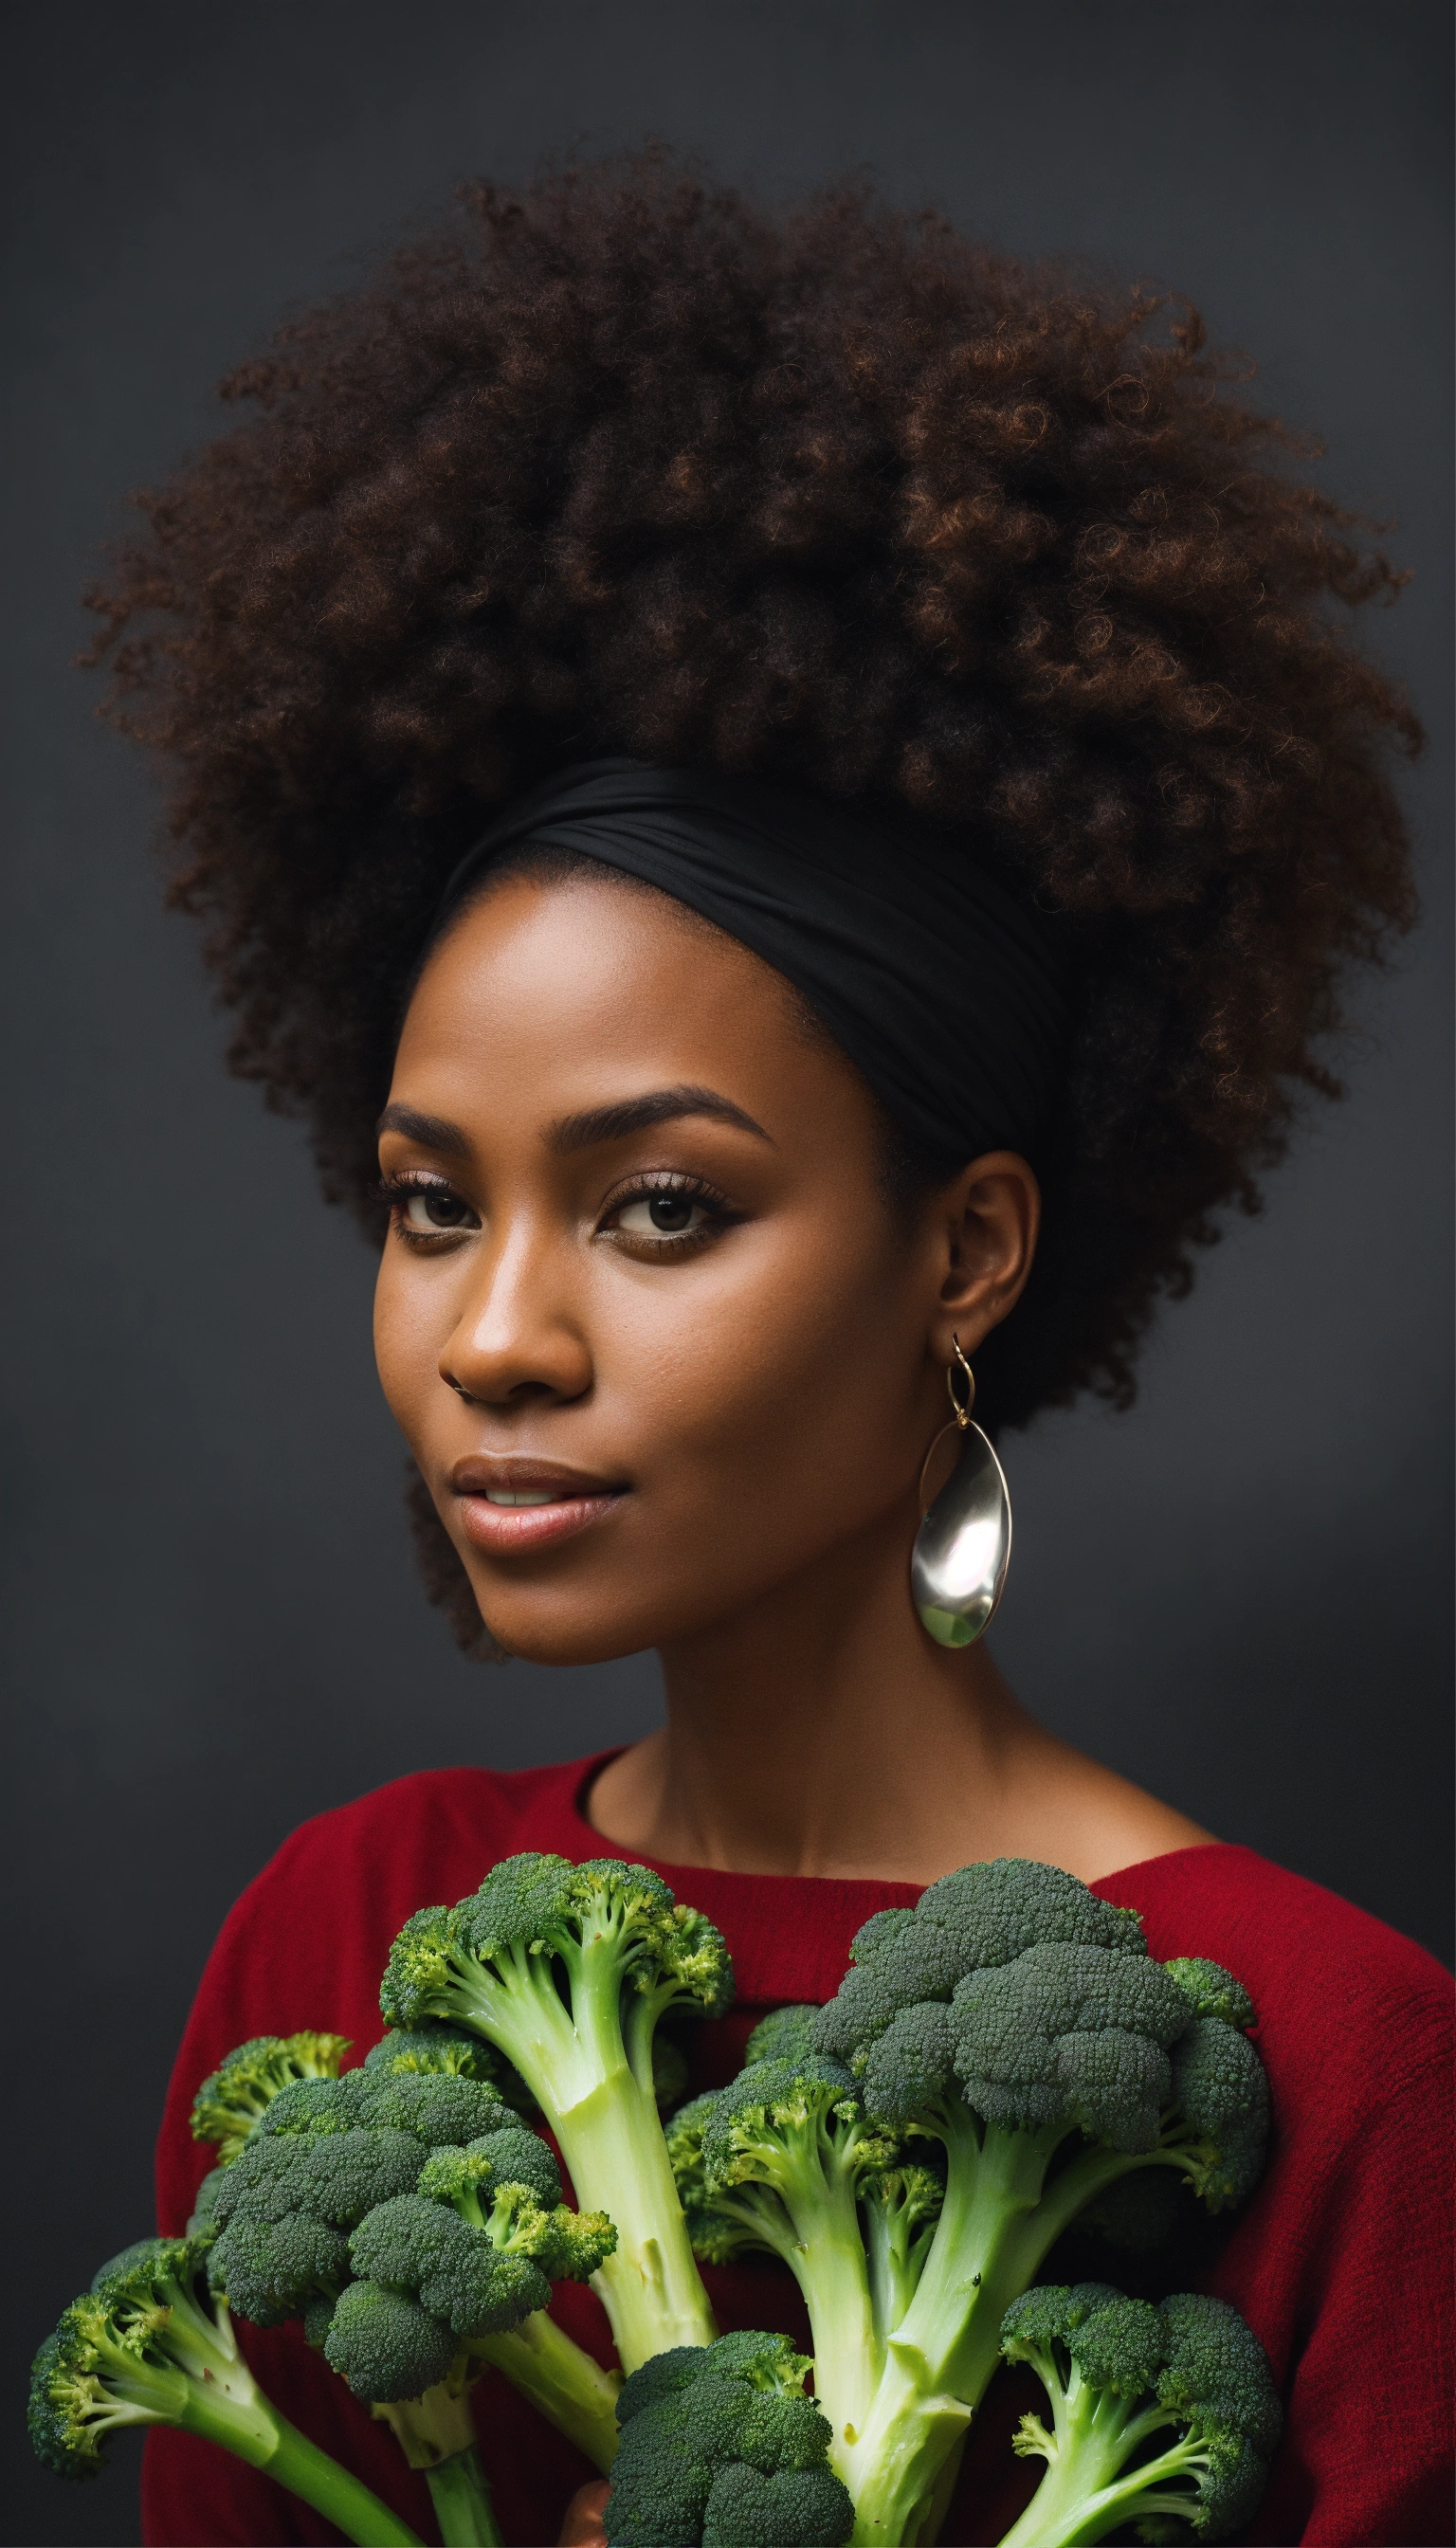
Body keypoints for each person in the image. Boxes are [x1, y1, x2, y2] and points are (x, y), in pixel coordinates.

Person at [87, 155, 1451, 2547]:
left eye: (663, 1209)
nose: (493, 1337)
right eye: (431, 1206)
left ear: (971, 1252)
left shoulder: (1335, 2061)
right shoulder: (341, 1941)